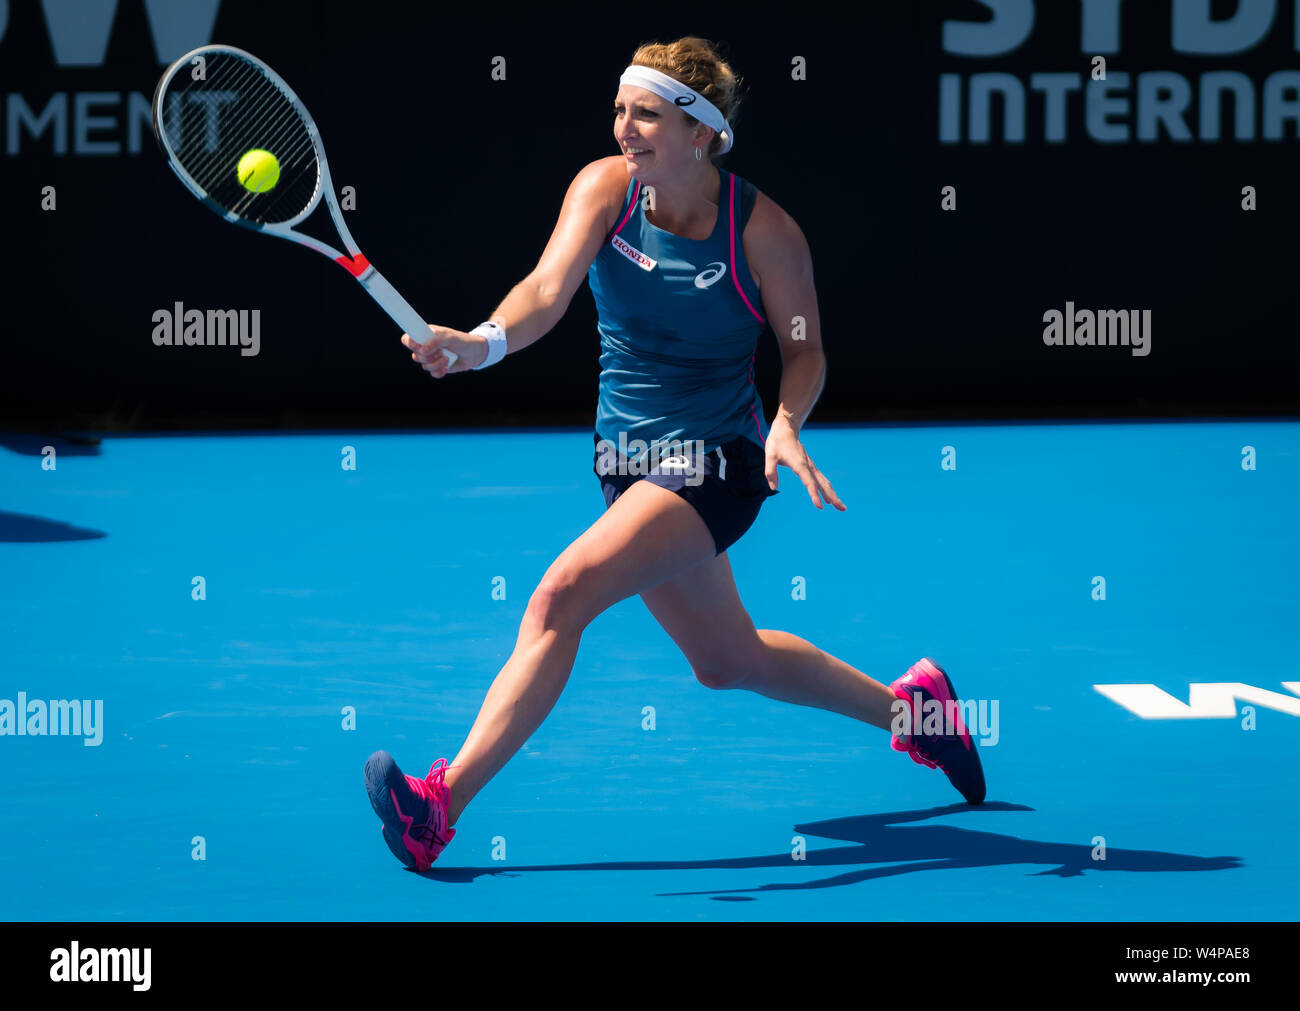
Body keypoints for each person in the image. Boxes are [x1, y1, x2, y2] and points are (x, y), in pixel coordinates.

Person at [364, 37, 984, 873]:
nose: (624, 127)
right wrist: (478, 343)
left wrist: (788, 421)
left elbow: (805, 351)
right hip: (625, 463)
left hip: (720, 459)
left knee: (560, 595)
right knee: (730, 661)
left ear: (703, 132)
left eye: (645, 113)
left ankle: (438, 806)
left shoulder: (766, 233)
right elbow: (546, 292)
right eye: (620, 109)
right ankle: (921, 715)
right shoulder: (603, 189)